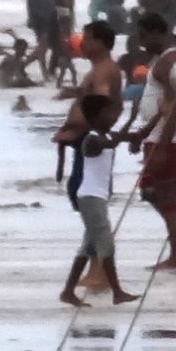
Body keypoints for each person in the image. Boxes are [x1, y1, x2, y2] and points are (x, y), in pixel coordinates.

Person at [125, 11, 176, 270]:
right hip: (156, 134)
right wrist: (143, 132)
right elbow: (161, 107)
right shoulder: (160, 59)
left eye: (145, 36)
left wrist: (163, 147)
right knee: (153, 192)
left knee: (165, 195)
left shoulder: (169, 62)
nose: (142, 41)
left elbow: (174, 106)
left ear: (158, 33)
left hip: (167, 137)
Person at [54, 90, 130, 307]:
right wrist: (131, 121)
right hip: (90, 197)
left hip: (97, 197)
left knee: (88, 247)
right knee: (106, 244)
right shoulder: (91, 139)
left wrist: (148, 121)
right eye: (108, 114)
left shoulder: (105, 136)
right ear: (95, 117)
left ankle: (68, 291)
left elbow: (126, 137)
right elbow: (110, 145)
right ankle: (117, 292)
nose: (113, 117)